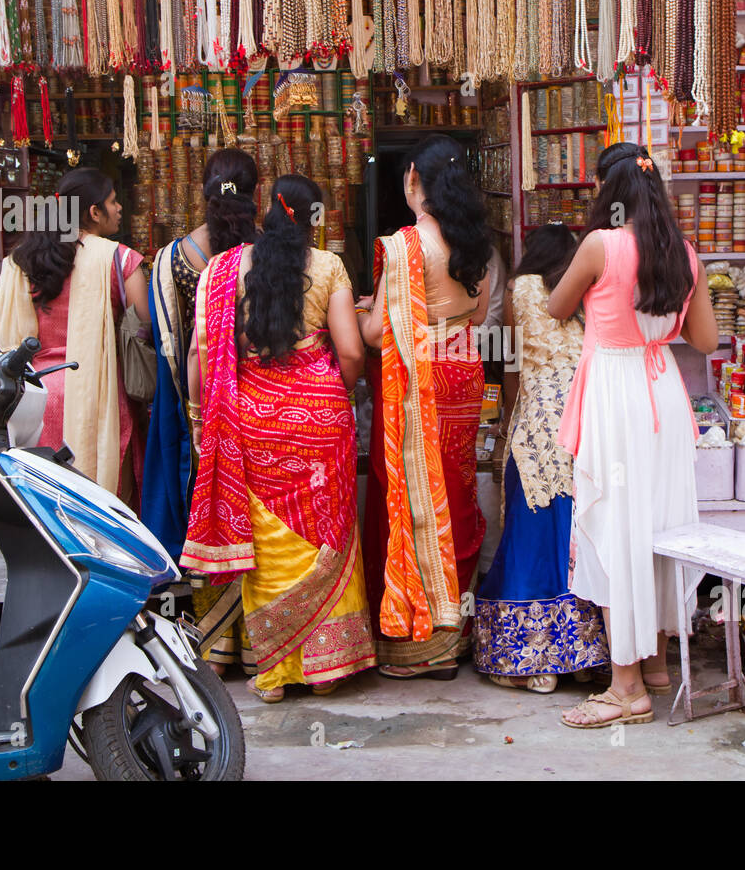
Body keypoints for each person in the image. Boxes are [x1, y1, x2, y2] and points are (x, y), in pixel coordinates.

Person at [183, 174, 375, 702]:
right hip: (320, 422)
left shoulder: (223, 270)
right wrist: (337, 391)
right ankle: (325, 668)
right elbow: (353, 353)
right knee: (326, 532)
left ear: (268, 210)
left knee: (266, 540)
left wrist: (201, 420)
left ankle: (272, 671)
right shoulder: (329, 266)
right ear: (315, 219)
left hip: (251, 421)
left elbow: (201, 353)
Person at [546, 143, 717, 728]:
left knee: (618, 527)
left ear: (608, 193)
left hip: (615, 394)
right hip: (662, 393)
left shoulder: (600, 245)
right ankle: (659, 664)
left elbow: (554, 306)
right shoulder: (685, 254)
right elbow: (707, 340)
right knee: (659, 524)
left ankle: (626, 688)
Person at [356, 133, 492, 680]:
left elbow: (373, 335)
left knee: (413, 498)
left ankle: (422, 643)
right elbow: (477, 318)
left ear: (414, 178)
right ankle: (454, 631)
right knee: (454, 493)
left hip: (422, 382)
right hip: (464, 373)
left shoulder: (406, 245)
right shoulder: (474, 243)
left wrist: (364, 310)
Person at [473, 222, 610, 692]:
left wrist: (510, 422)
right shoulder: (586, 289)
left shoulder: (517, 289)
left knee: (531, 538)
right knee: (577, 535)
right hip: (586, 420)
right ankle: (583, 654)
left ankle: (534, 664)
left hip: (536, 427)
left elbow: (510, 365)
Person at [143, 148, 259, 678]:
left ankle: (214, 647)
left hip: (197, 403)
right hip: (257, 405)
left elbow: (168, 342)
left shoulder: (173, 259)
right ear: (255, 193)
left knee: (205, 517)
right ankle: (260, 643)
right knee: (256, 523)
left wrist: (192, 414)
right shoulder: (265, 255)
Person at [0, 166, 150, 508]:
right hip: (101, 397)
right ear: (93, 212)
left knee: (50, 501)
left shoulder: (21, 261)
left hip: (39, 397)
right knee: (105, 504)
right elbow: (145, 327)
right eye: (114, 202)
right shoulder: (119, 260)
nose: (120, 209)